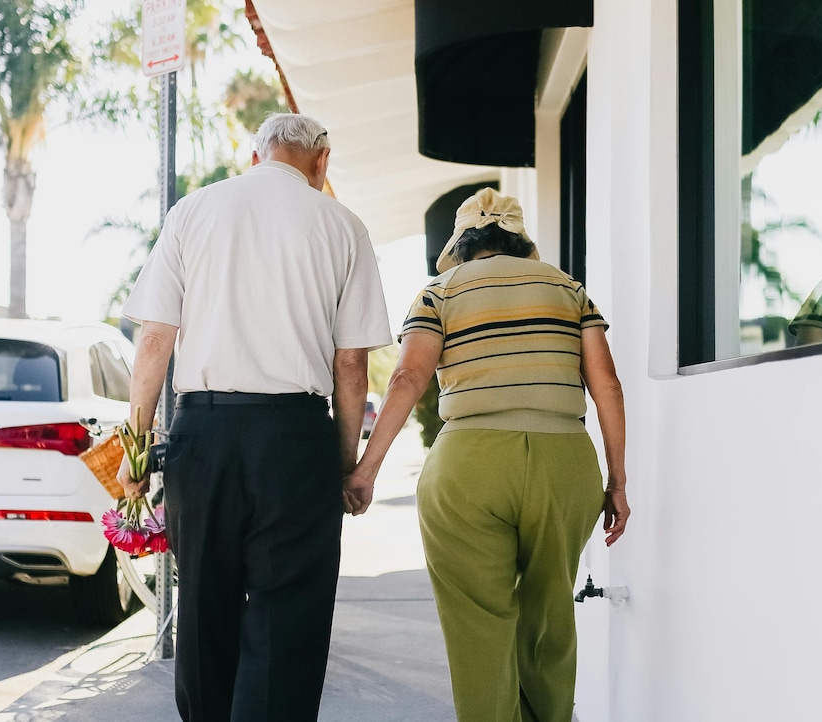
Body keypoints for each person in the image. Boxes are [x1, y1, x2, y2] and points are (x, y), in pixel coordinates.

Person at [118, 113, 393, 721]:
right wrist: (344, 466)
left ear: (254, 157)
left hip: (204, 435)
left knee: (203, 607)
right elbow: (351, 366)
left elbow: (154, 342)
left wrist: (137, 451)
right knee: (287, 615)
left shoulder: (192, 212)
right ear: (321, 161)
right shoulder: (343, 226)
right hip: (296, 440)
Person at [343, 188, 631, 721]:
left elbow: (408, 378)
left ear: (463, 241)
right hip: (562, 461)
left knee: (479, 626)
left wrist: (366, 470)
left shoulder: (440, 292)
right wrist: (616, 481)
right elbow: (607, 386)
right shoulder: (568, 290)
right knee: (550, 618)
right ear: (519, 239)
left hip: (468, 465)